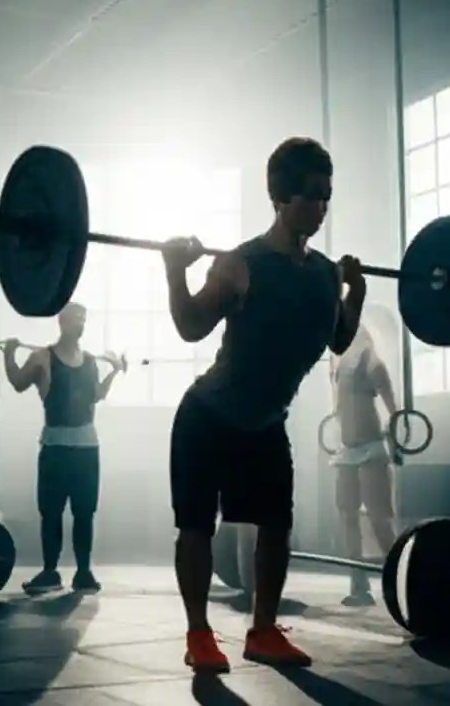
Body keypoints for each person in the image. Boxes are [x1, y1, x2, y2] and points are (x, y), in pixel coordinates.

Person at [162, 136, 364, 673]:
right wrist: (173, 268)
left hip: (266, 422)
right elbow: (189, 326)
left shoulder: (326, 274)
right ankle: (200, 634)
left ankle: (263, 630)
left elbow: (338, 340)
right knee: (197, 527)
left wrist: (355, 297)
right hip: (208, 417)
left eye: (326, 197)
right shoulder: (238, 265)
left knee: (276, 526)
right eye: (310, 197)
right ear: (280, 197)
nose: (320, 209)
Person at [3, 302, 126, 596]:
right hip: (55, 446)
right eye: (75, 318)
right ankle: (49, 572)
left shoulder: (90, 360)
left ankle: (84, 572)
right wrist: (8, 355)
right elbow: (19, 383)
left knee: (85, 512)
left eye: (84, 319)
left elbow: (96, 395)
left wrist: (116, 371)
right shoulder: (42, 357)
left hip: (86, 447)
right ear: (62, 321)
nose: (80, 324)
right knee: (51, 512)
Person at [327, 324, 398, 607]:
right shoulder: (339, 363)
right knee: (347, 516)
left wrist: (396, 441)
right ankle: (359, 584)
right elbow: (339, 407)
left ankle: (397, 582)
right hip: (347, 450)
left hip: (371, 449)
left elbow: (394, 410)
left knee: (380, 520)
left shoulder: (371, 360)